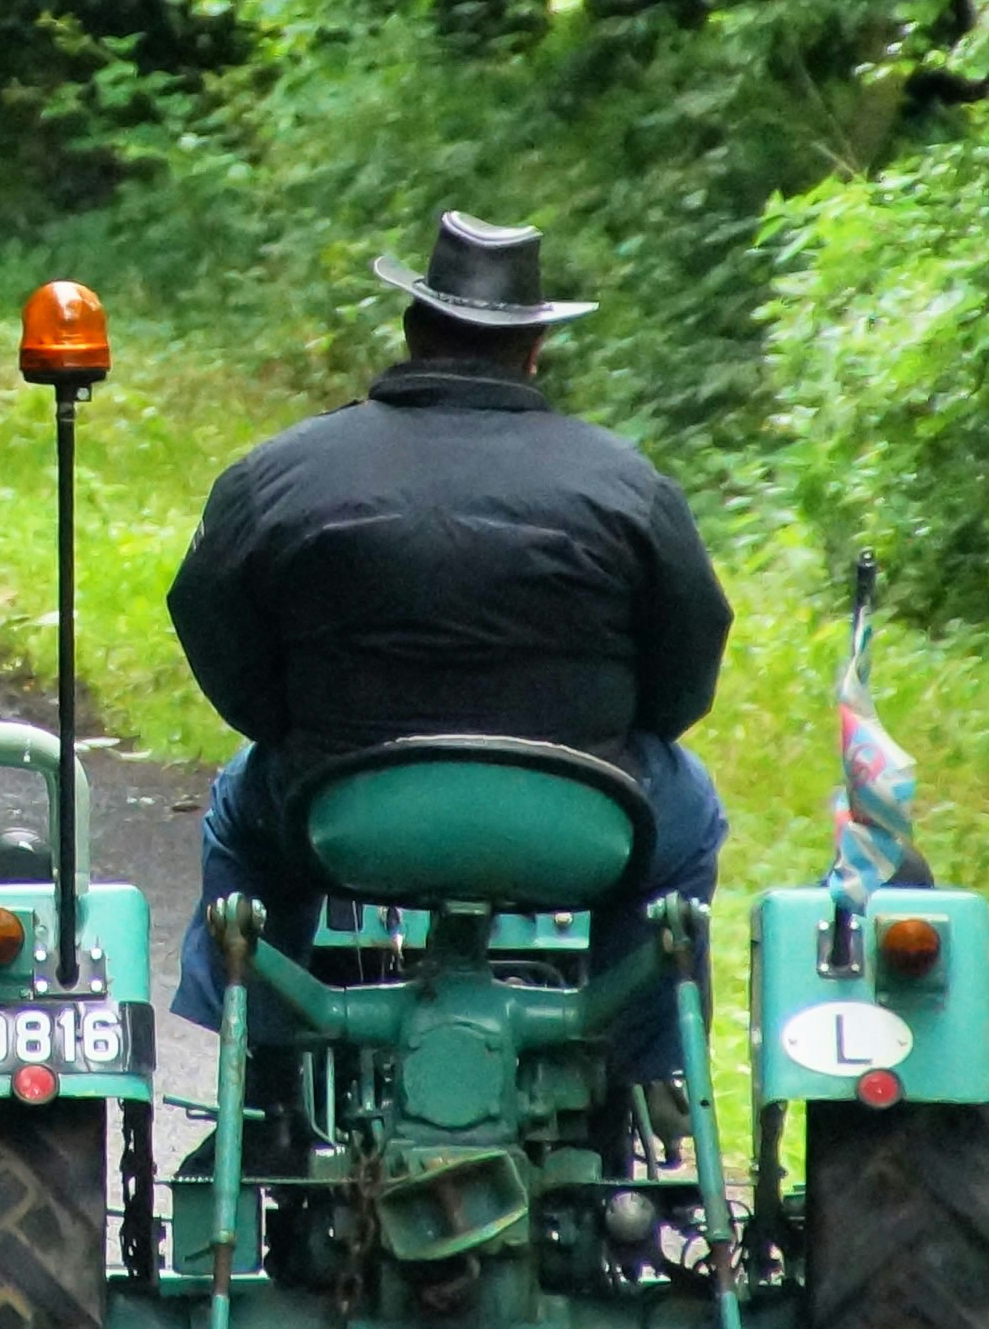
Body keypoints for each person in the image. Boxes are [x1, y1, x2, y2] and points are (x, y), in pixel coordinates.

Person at [162, 210, 732, 1056]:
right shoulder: (627, 485)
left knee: (238, 816)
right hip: (580, 820)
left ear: (412, 329)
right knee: (691, 816)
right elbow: (688, 668)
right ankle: (640, 1068)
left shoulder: (279, 475)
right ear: (533, 350)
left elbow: (206, 613)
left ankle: (270, 1072)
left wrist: (285, 730)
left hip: (344, 810)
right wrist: (607, 739)